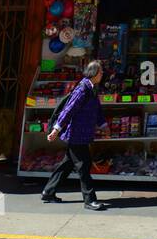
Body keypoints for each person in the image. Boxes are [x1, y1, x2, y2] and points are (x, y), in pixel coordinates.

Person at [43, 60, 109, 211]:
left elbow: (97, 109)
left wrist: (104, 126)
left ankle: (48, 191)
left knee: (67, 164)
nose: (102, 74)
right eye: (100, 71)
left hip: (82, 134)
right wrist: (56, 129)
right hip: (76, 134)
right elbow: (69, 110)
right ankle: (89, 200)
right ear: (93, 73)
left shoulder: (92, 88)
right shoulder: (82, 89)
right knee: (84, 165)